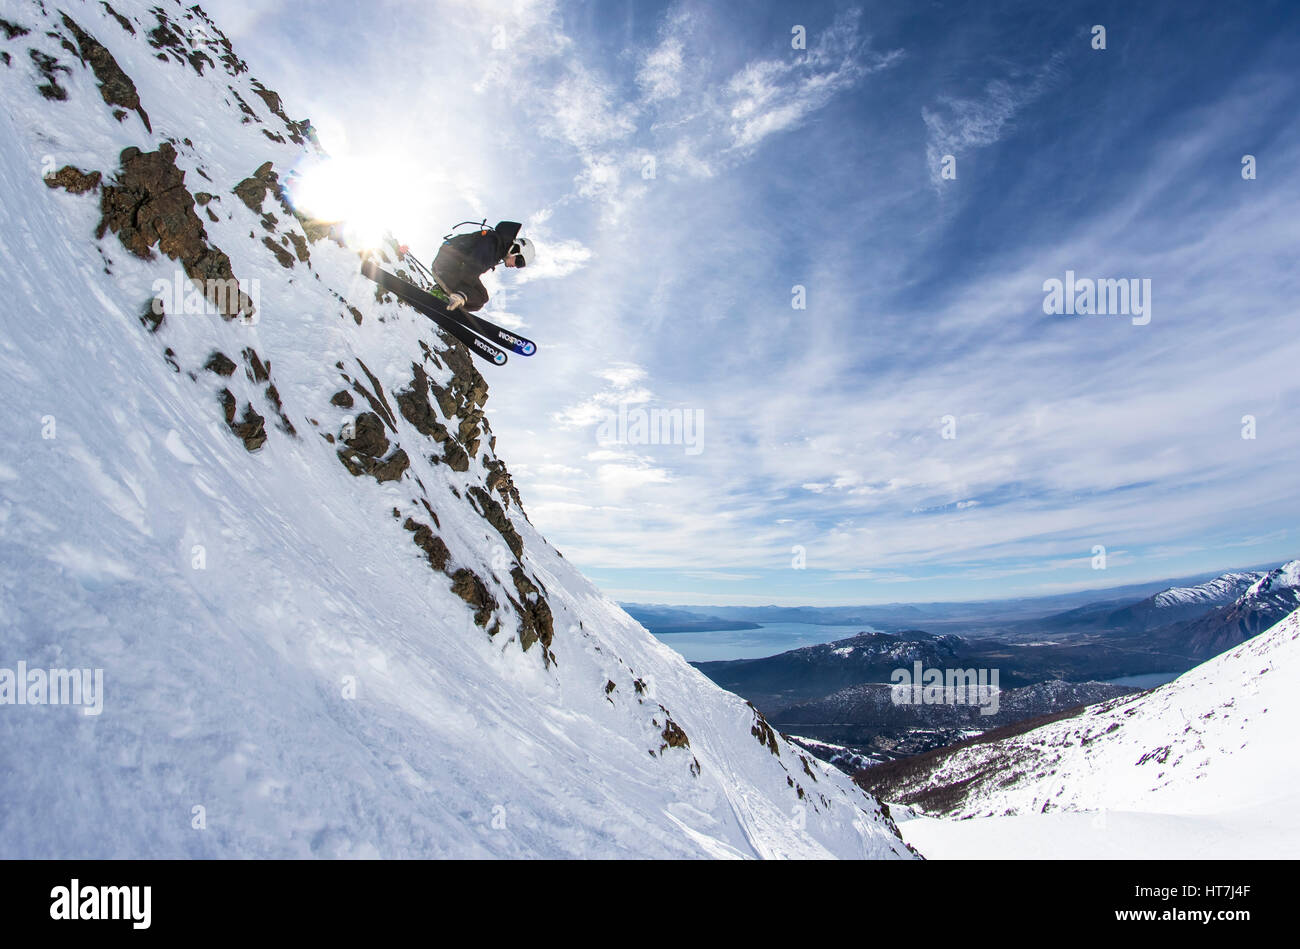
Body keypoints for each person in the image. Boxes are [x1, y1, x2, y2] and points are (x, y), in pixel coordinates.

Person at [431, 221, 534, 312]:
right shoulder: (493, 243)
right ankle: (443, 295)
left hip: (449, 266)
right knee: (480, 297)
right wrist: (462, 294)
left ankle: (447, 298)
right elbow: (471, 267)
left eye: (519, 266)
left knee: (482, 297)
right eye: (519, 262)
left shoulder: (497, 247)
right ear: (517, 250)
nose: (515, 266)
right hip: (447, 265)